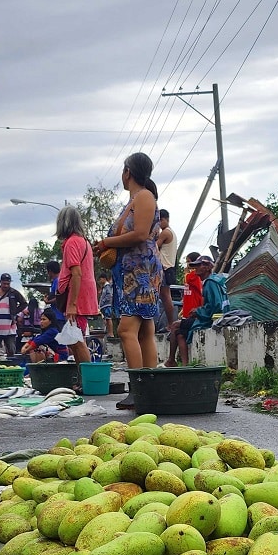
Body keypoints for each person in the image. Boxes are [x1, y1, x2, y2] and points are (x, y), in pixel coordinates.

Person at [94, 152, 164, 409]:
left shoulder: (144, 196)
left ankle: (138, 388)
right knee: (145, 330)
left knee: (126, 330)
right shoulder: (135, 199)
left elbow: (141, 234)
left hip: (141, 272)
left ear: (127, 172)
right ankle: (149, 387)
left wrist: (107, 242)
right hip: (131, 271)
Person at [54, 205, 99, 363]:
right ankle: (83, 379)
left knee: (77, 341)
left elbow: (77, 273)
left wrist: (72, 304)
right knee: (75, 340)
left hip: (77, 297)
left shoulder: (72, 242)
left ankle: (86, 380)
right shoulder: (83, 241)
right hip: (82, 294)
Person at [169, 254, 209, 366]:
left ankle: (171, 360)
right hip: (188, 312)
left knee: (174, 326)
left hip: (195, 314)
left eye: (188, 262)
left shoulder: (194, 276)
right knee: (180, 335)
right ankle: (184, 365)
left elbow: (187, 278)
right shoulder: (192, 277)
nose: (187, 265)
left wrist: (188, 270)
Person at [0, 273, 28, 359]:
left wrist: (14, 312)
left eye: (8, 284)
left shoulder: (13, 292)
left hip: (10, 325)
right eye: (4, 283)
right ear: (0, 282)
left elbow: (24, 303)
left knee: (11, 349)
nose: (6, 286)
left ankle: (11, 366)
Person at [191, 263, 231, 331]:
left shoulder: (210, 282)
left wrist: (198, 311)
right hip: (220, 318)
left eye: (198, 265)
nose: (195, 268)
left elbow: (216, 305)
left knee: (177, 328)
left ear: (207, 268)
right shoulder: (216, 280)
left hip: (211, 321)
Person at [157, 209, 177, 288]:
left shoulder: (165, 233)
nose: (159, 223)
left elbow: (154, 247)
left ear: (167, 219)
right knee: (165, 295)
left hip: (164, 268)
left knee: (164, 295)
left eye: (161, 220)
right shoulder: (171, 232)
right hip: (169, 267)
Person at [97, 272, 116, 339]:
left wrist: (104, 301)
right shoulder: (104, 287)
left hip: (107, 305)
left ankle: (111, 333)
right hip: (103, 306)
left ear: (104, 279)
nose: (99, 281)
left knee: (108, 318)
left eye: (100, 279)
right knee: (105, 319)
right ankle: (108, 332)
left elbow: (109, 295)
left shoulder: (107, 286)